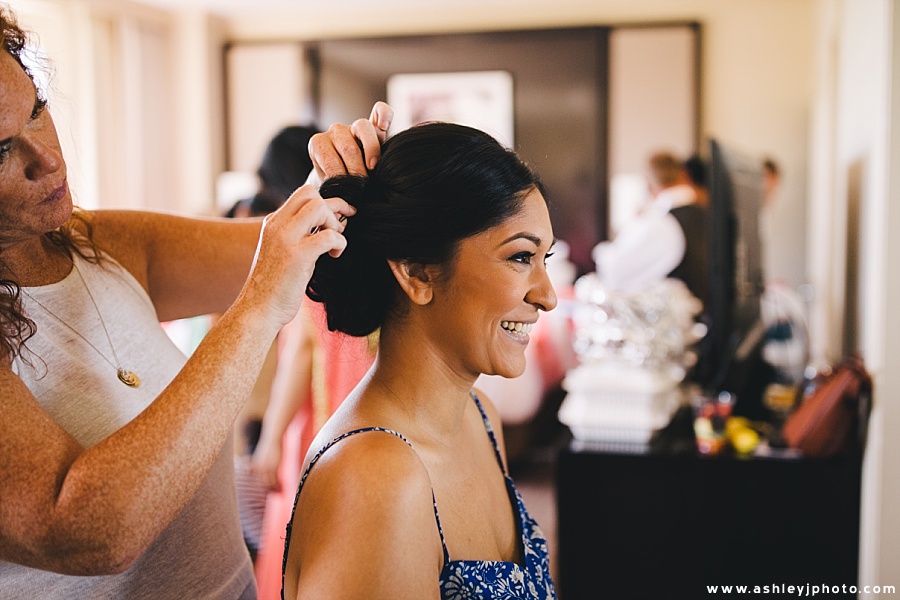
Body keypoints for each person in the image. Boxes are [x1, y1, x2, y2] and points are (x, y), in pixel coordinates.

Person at [0, 7, 391, 598]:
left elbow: (279, 247)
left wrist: (330, 180)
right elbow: (87, 529)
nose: (48, 159)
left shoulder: (94, 243)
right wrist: (260, 308)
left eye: (38, 110)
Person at [281, 122, 558, 600]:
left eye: (544, 259)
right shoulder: (375, 478)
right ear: (416, 271)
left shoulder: (481, 417)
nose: (547, 296)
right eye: (519, 258)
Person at [592, 150, 709, 306]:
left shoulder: (659, 224)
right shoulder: (707, 214)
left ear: (648, 184)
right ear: (683, 175)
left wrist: (601, 252)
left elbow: (614, 274)